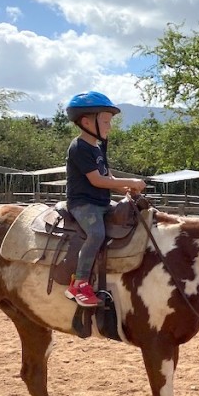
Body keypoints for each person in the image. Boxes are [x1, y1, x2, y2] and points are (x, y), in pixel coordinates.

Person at [63, 91, 146, 308]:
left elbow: (108, 178)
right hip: (83, 204)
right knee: (97, 232)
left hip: (101, 202)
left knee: (131, 216)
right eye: (106, 122)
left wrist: (125, 191)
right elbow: (97, 180)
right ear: (86, 121)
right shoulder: (79, 147)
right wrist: (132, 180)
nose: (109, 127)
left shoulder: (98, 147)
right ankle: (79, 283)